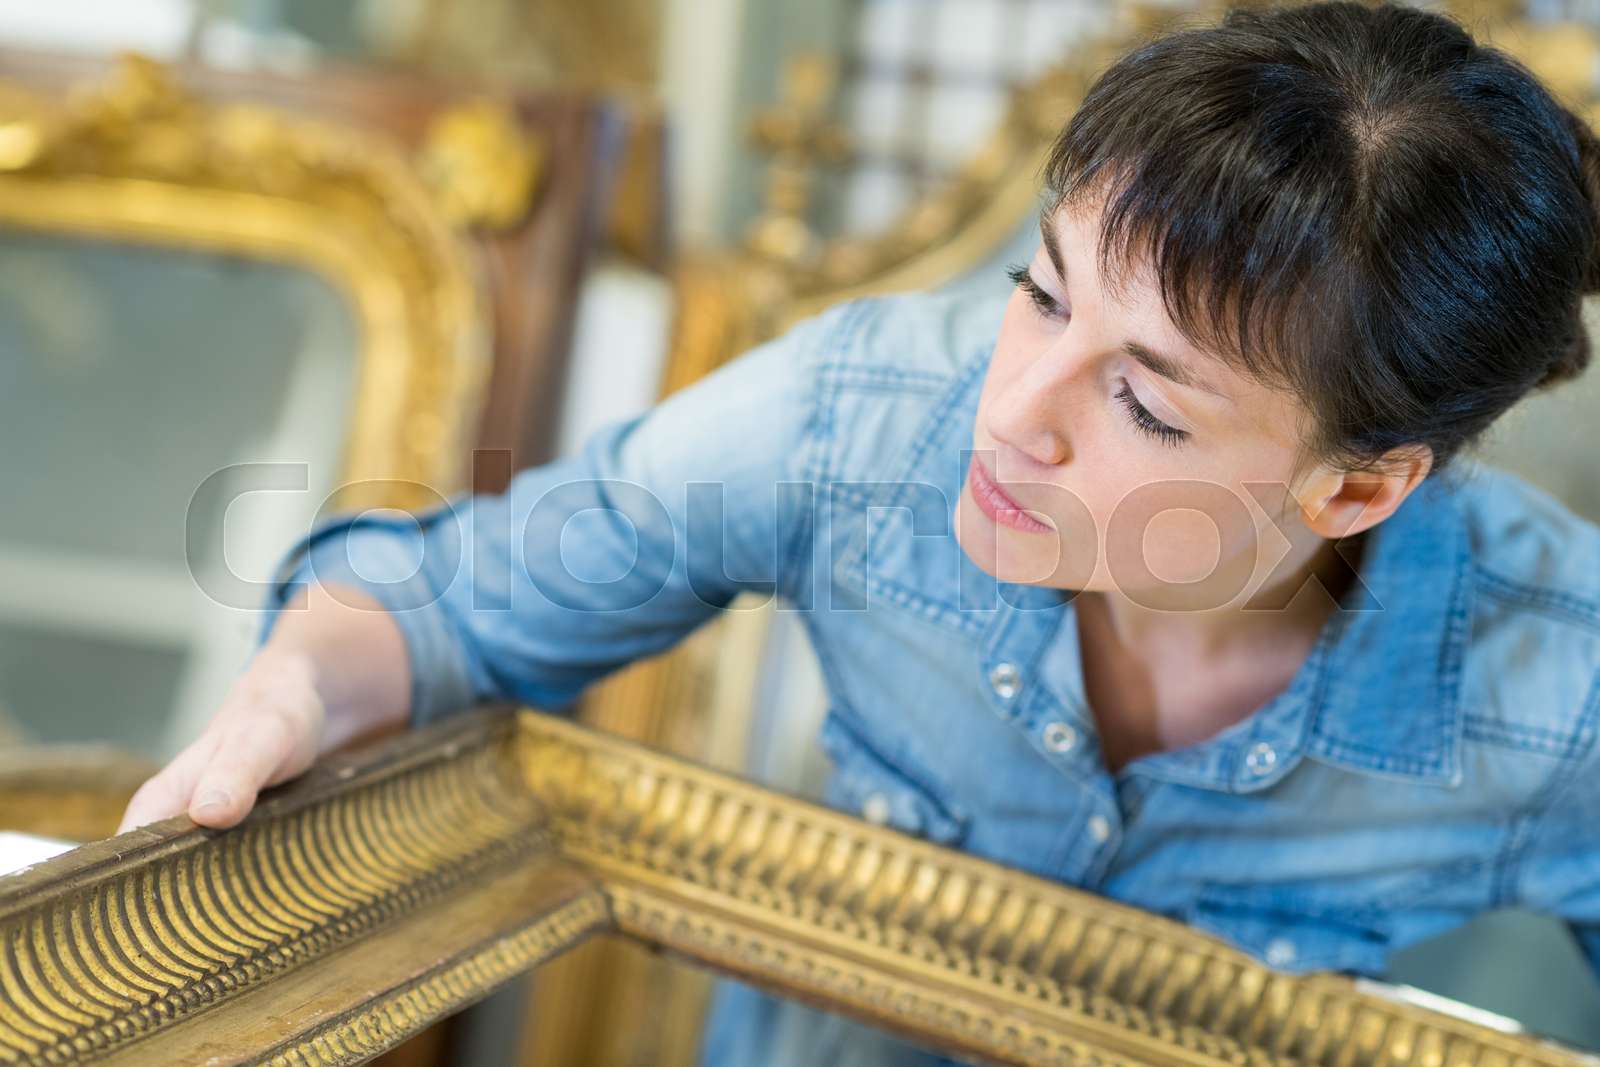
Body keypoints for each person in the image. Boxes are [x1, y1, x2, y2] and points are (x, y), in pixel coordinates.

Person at [119, 1, 1600, 1063]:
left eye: (1146, 405)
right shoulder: (864, 411)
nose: (1014, 411)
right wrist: (298, 687)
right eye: (1040, 291)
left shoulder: (1558, 690)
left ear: (1355, 490)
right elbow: (452, 605)